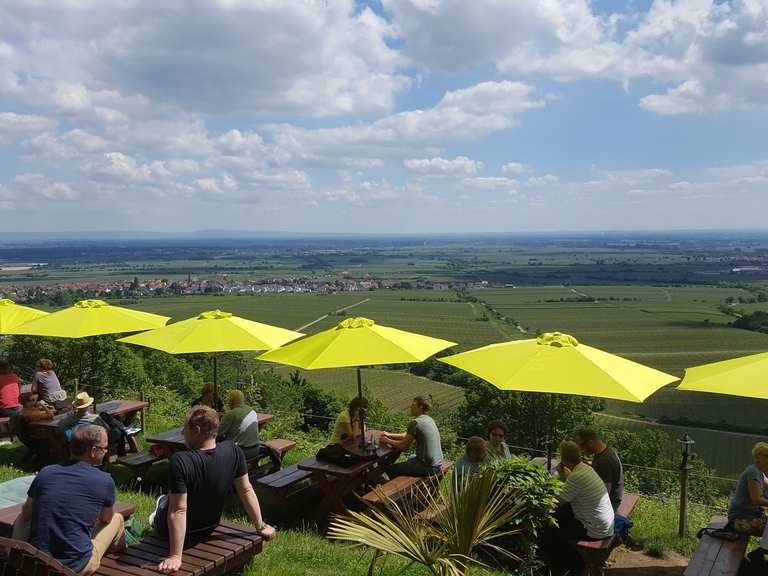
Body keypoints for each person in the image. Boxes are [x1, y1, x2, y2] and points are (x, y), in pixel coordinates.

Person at [150, 405, 276, 574]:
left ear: (196, 430)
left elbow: (179, 510)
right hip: (210, 524)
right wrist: (260, 526)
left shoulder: (180, 460)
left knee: (165, 503)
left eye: (185, 429)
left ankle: (159, 507)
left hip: (176, 529)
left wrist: (175, 556)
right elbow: (246, 490)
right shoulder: (234, 450)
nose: (183, 433)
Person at [12, 425, 125, 575]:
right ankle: (121, 561)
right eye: (104, 448)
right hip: (74, 567)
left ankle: (12, 556)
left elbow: (26, 514)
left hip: (36, 562)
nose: (106, 452)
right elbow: (106, 519)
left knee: (22, 517)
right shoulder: (105, 480)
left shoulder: (46, 472)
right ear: (92, 451)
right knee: (117, 518)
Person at [542, 441, 614, 576]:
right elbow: (572, 488)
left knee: (551, 533)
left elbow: (556, 502)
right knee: (563, 520)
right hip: (604, 524)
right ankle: (570, 563)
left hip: (594, 529)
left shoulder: (577, 476)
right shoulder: (586, 468)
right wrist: (564, 477)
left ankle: (563, 568)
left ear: (563, 459)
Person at [380, 395, 443, 478]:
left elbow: (403, 447)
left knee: (391, 469)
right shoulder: (429, 419)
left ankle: (397, 489)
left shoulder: (416, 423)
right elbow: (407, 436)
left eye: (413, 405)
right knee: (411, 458)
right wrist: (388, 434)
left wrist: (387, 440)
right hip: (438, 463)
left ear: (420, 407)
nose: (410, 407)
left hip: (428, 467)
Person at [218, 389, 280, 470]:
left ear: (231, 401)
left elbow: (218, 433)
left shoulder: (231, 414)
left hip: (242, 452)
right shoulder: (251, 410)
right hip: (256, 449)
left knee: (217, 449)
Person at [575, 428, 624, 511]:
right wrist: (587, 464)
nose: (581, 449)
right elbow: (599, 469)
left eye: (581, 445)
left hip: (609, 504)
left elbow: (604, 493)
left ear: (590, 442)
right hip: (614, 498)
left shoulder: (604, 461)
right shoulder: (605, 451)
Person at [728, 442, 768, 535]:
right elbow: (756, 500)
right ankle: (763, 550)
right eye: (767, 455)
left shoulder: (760, 473)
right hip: (740, 519)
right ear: (758, 457)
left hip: (751, 515)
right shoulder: (753, 472)